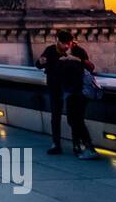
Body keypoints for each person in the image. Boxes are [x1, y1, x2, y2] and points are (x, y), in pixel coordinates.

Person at [35, 29, 98, 159]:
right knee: (56, 115)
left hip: (73, 88)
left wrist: (76, 59)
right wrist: (40, 62)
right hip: (56, 87)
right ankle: (56, 144)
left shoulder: (78, 51)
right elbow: (39, 64)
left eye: (68, 43)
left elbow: (91, 67)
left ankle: (79, 145)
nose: (65, 46)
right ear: (57, 41)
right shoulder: (51, 50)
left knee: (74, 119)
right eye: (63, 43)